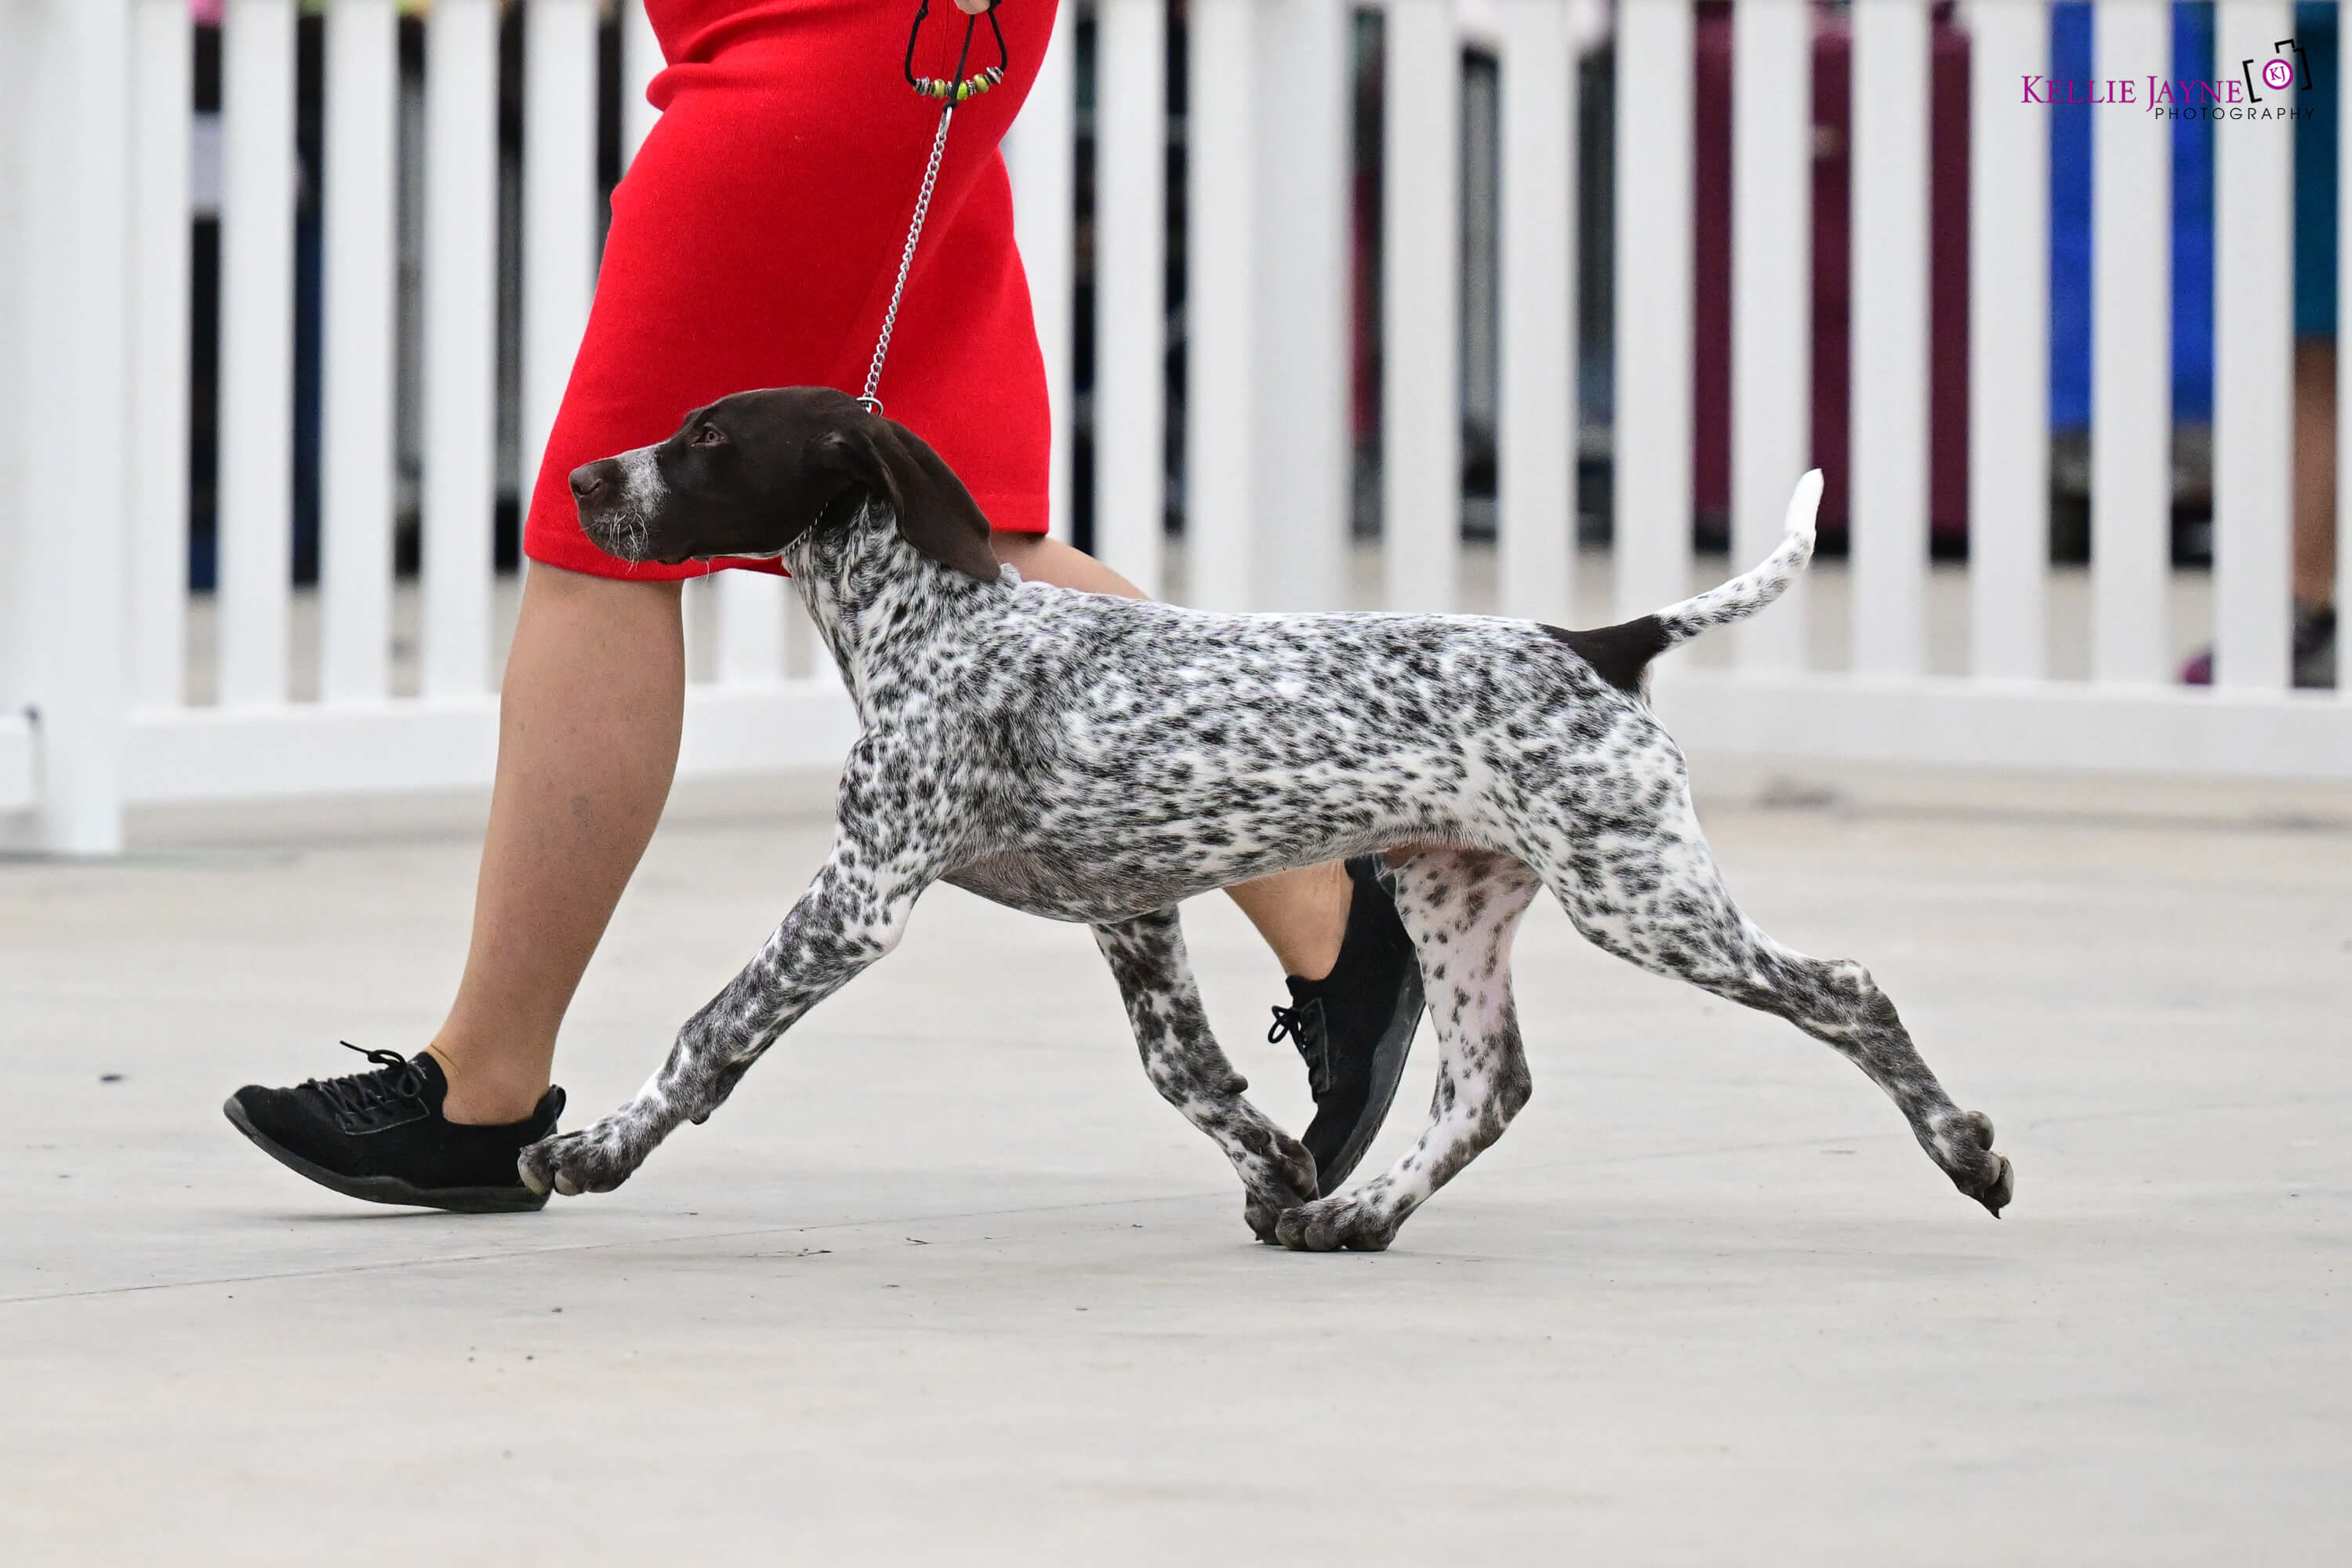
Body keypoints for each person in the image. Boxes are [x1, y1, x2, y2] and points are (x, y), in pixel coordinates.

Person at [223, 0, 1423, 1213]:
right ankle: (1334, 914)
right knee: (965, 534)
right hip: (852, 35)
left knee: (604, 534)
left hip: (835, 31)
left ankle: (480, 1086)